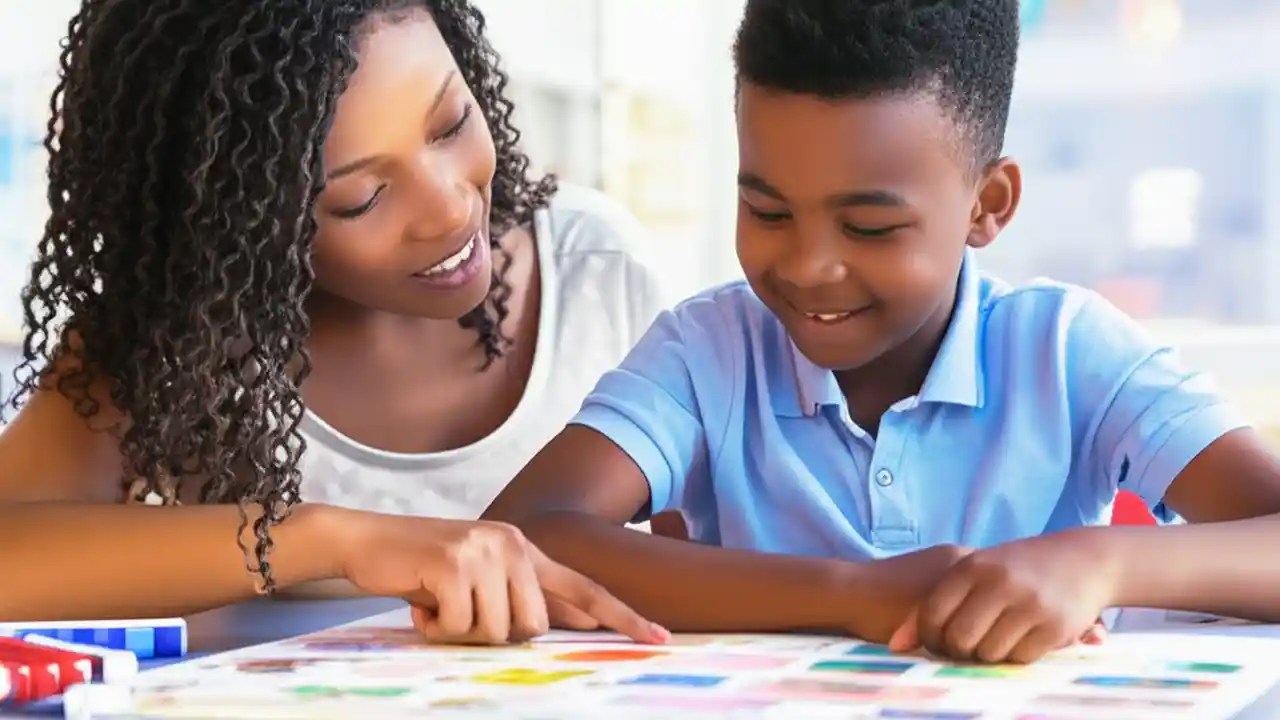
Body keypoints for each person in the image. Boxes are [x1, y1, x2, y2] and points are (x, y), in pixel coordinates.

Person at [485, 0, 1280, 663]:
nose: (808, 267)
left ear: (988, 205)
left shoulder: (1067, 352)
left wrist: (1096, 563)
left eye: (868, 227)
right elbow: (521, 536)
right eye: (766, 211)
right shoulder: (706, 353)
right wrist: (854, 593)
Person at [0, 0, 669, 647]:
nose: (448, 210)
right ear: (238, 215)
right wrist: (328, 540)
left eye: (450, 125)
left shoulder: (596, 274)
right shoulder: (183, 340)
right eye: (361, 198)